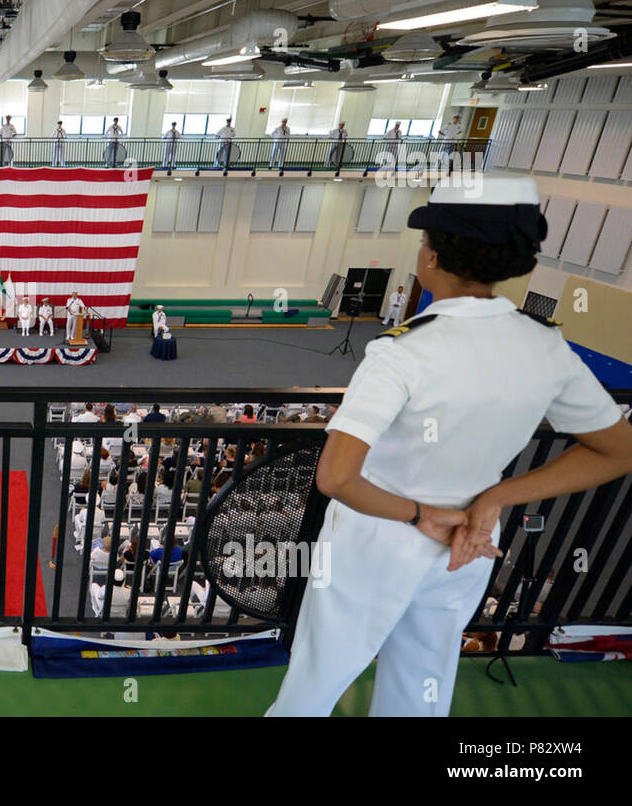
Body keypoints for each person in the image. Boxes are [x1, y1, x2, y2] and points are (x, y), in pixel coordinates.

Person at [266, 174, 632, 718]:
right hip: (471, 543)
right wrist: (494, 500)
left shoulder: (402, 352)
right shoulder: (544, 345)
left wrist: (421, 515)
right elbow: (617, 450)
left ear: (433, 257)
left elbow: (337, 478)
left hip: (377, 540)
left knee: (317, 681)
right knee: (422, 684)